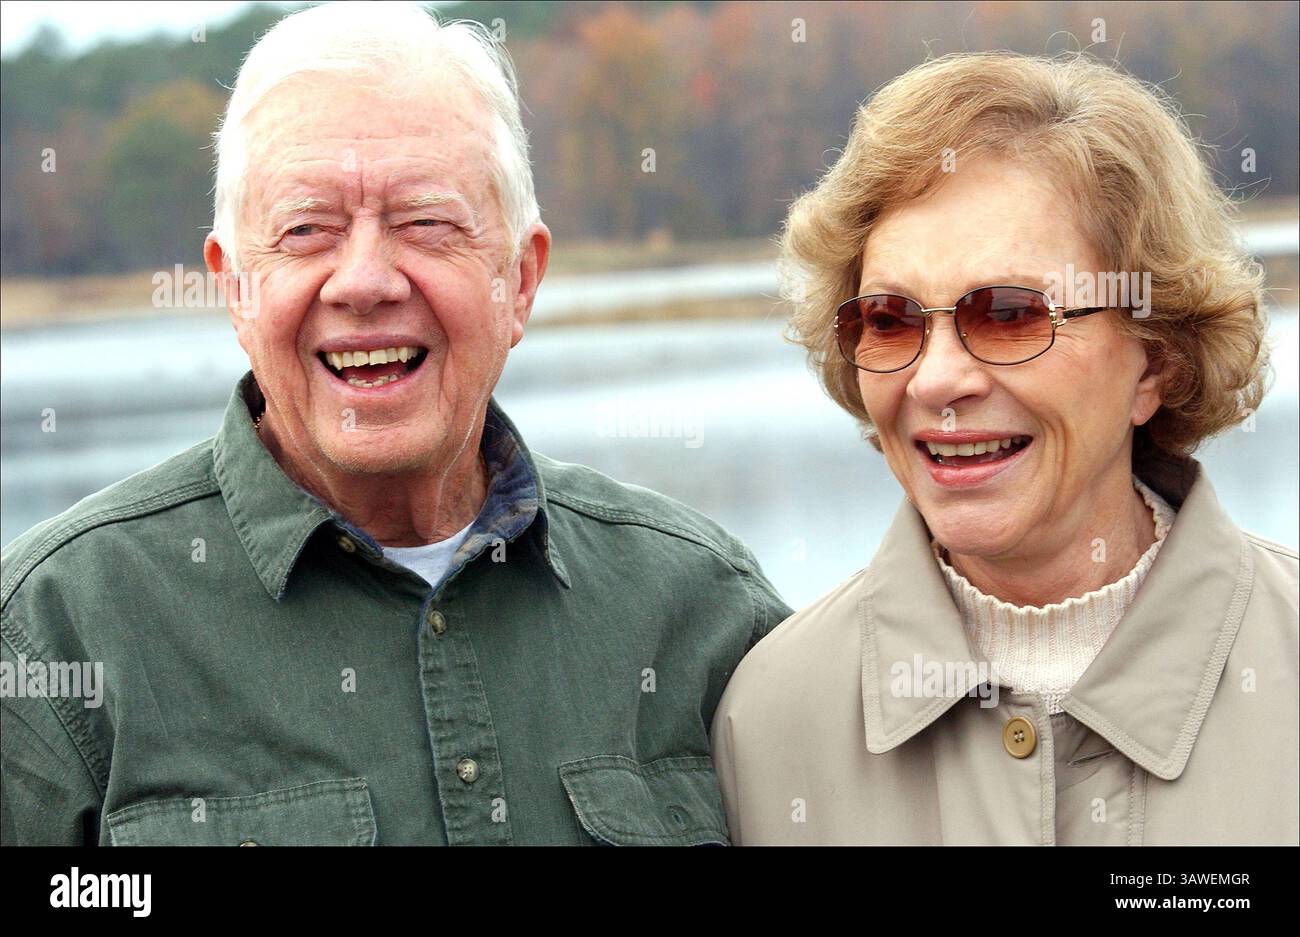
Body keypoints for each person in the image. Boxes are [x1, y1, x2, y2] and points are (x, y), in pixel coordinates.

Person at [0, 2, 789, 846]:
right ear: (235, 287)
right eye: (306, 230)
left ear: (519, 280)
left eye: (425, 223)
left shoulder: (702, 609)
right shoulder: (52, 635)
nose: (366, 280)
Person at [711, 51, 1298, 845]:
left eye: (1011, 313)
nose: (936, 380)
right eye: (889, 319)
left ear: (1155, 360)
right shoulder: (770, 720)